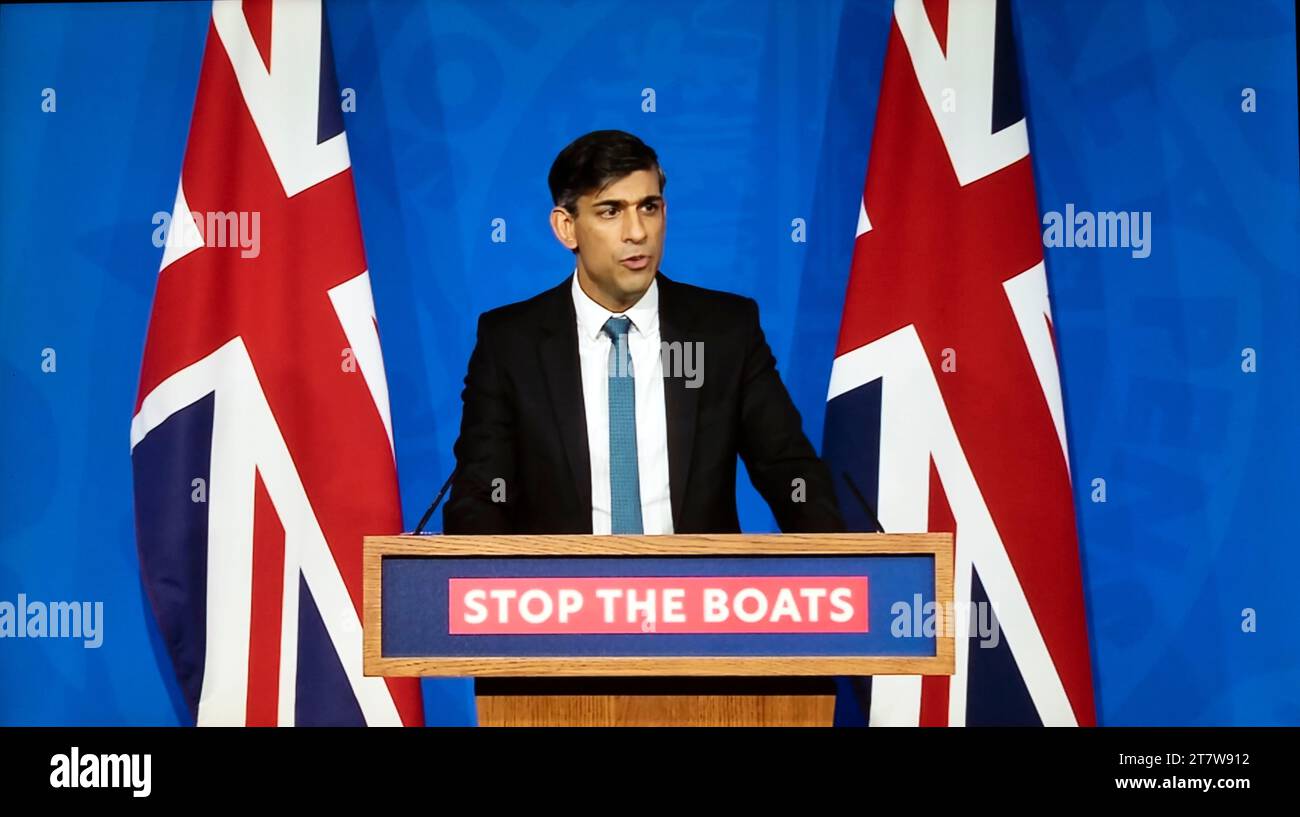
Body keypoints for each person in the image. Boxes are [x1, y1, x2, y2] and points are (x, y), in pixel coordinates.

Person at [443, 129, 844, 536]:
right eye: (610, 211)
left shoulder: (722, 331)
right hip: (562, 595)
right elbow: (480, 494)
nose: (637, 232)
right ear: (567, 228)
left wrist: (843, 572)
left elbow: (788, 470)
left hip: (696, 593)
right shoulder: (511, 343)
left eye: (648, 207)